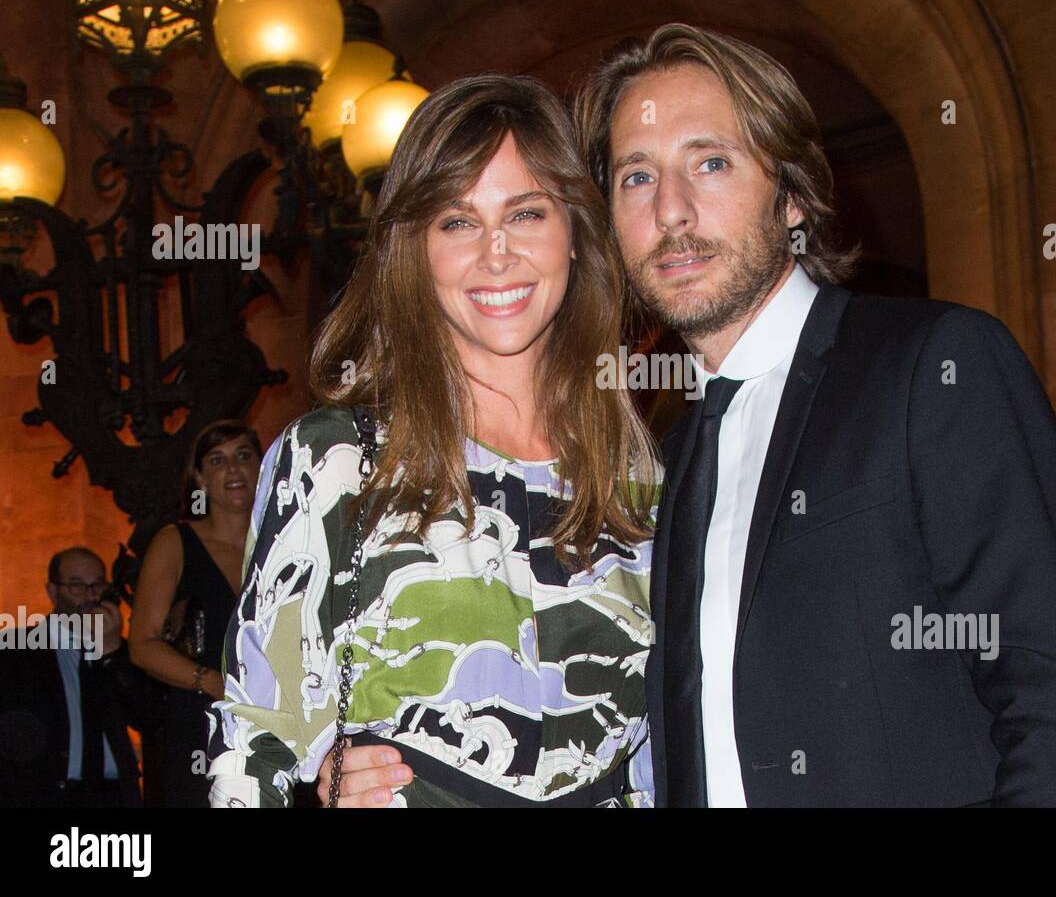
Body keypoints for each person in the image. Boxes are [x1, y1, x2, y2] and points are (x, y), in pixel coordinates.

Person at [334, 22, 1056, 807]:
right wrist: (374, 764)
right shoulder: (656, 464)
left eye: (710, 162)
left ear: (792, 196)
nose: (672, 211)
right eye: (637, 177)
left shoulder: (933, 369)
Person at [207, 73, 660, 807]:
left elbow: (664, 751)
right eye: (457, 221)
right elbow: (252, 742)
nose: (497, 252)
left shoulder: (639, 480)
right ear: (413, 252)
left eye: (527, 212)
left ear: (575, 232)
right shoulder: (336, 462)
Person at [128, 420, 261, 806]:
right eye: (217, 460)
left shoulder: (287, 538)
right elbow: (142, 644)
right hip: (198, 723)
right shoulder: (176, 541)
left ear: (262, 468)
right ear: (200, 478)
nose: (233, 469)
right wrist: (212, 681)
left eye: (244, 456)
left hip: (277, 721)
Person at [0, 547, 156, 806]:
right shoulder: (14, 649)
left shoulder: (120, 651)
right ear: (52, 591)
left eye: (97, 584)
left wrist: (113, 652)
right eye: (76, 586)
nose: (90, 595)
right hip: (42, 796)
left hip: (112, 797)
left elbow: (147, 716)